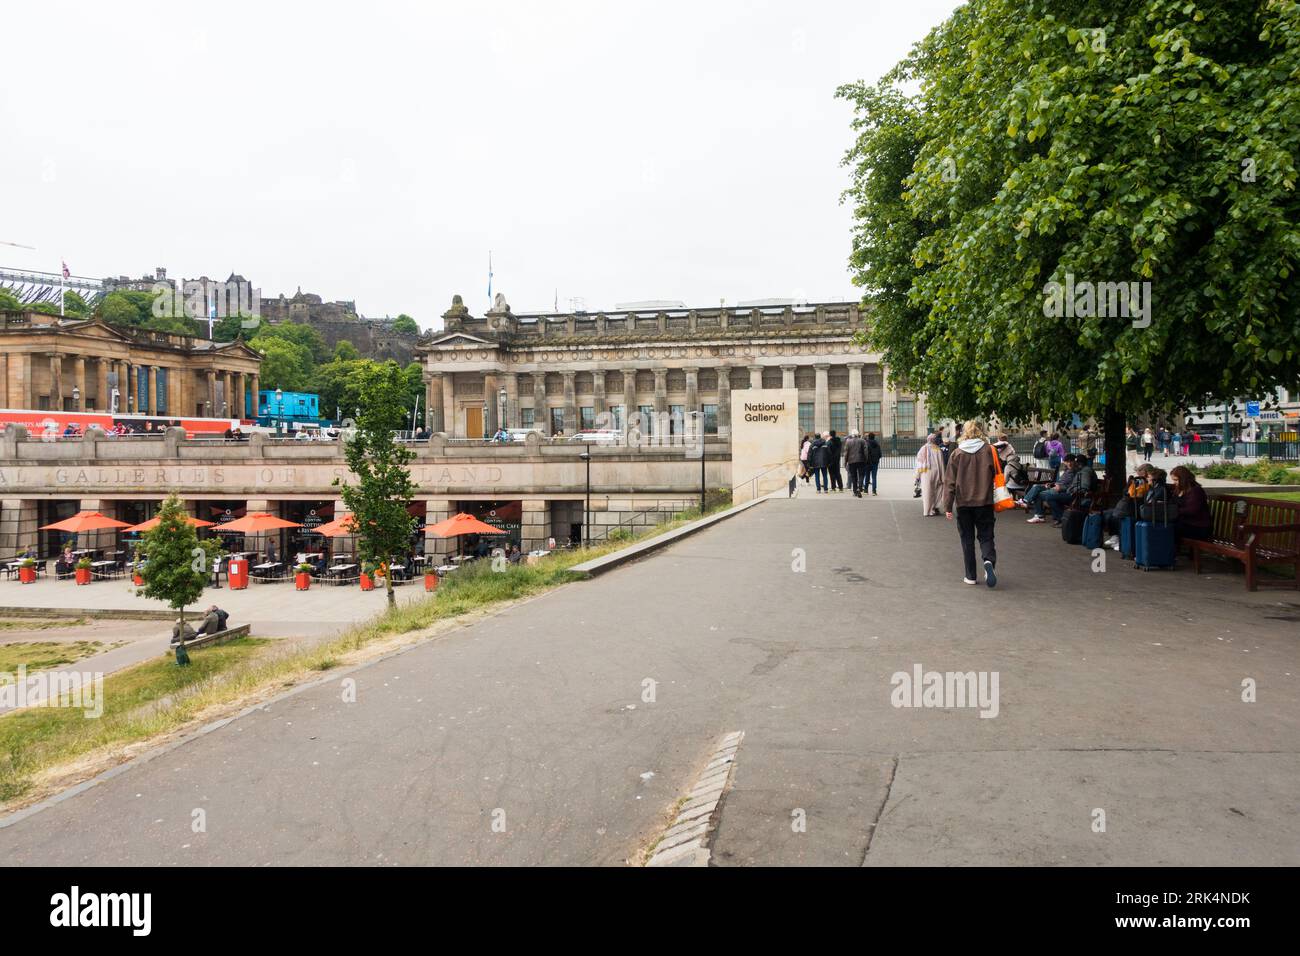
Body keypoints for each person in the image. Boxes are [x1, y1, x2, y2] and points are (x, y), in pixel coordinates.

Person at [943, 420, 999, 588]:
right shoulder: (989, 450)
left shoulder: (957, 453)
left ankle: (971, 576)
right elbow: (996, 472)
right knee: (986, 535)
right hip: (985, 502)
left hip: (964, 503)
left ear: (964, 432)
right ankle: (988, 561)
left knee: (967, 539)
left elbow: (949, 482)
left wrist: (947, 506)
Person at [1170, 465, 1211, 545]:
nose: (1174, 482)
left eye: (1176, 480)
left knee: (1170, 529)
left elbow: (1191, 510)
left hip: (1197, 527)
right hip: (1185, 523)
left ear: (1183, 479)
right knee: (1163, 526)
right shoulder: (1179, 489)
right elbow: (1173, 503)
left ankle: (1171, 554)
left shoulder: (1196, 491)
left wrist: (1173, 511)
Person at [915, 433, 946, 516]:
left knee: (927, 492)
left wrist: (917, 476)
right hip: (937, 472)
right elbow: (941, 463)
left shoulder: (923, 448)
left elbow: (919, 463)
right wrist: (943, 476)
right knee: (937, 490)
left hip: (926, 473)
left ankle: (927, 511)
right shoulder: (937, 449)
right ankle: (934, 508)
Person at [843, 429, 868, 497]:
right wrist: (866, 459)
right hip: (861, 460)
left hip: (851, 461)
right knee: (861, 475)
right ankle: (859, 488)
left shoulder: (848, 442)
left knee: (853, 476)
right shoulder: (862, 441)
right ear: (858, 434)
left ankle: (855, 490)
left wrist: (845, 462)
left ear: (852, 434)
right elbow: (866, 451)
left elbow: (846, 453)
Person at [864, 431, 883, 496]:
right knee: (874, 477)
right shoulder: (877, 444)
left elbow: (865, 454)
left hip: (868, 463)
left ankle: (866, 490)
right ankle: (874, 491)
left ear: (868, 437)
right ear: (874, 437)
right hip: (875, 462)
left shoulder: (866, 444)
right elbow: (880, 455)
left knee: (867, 476)